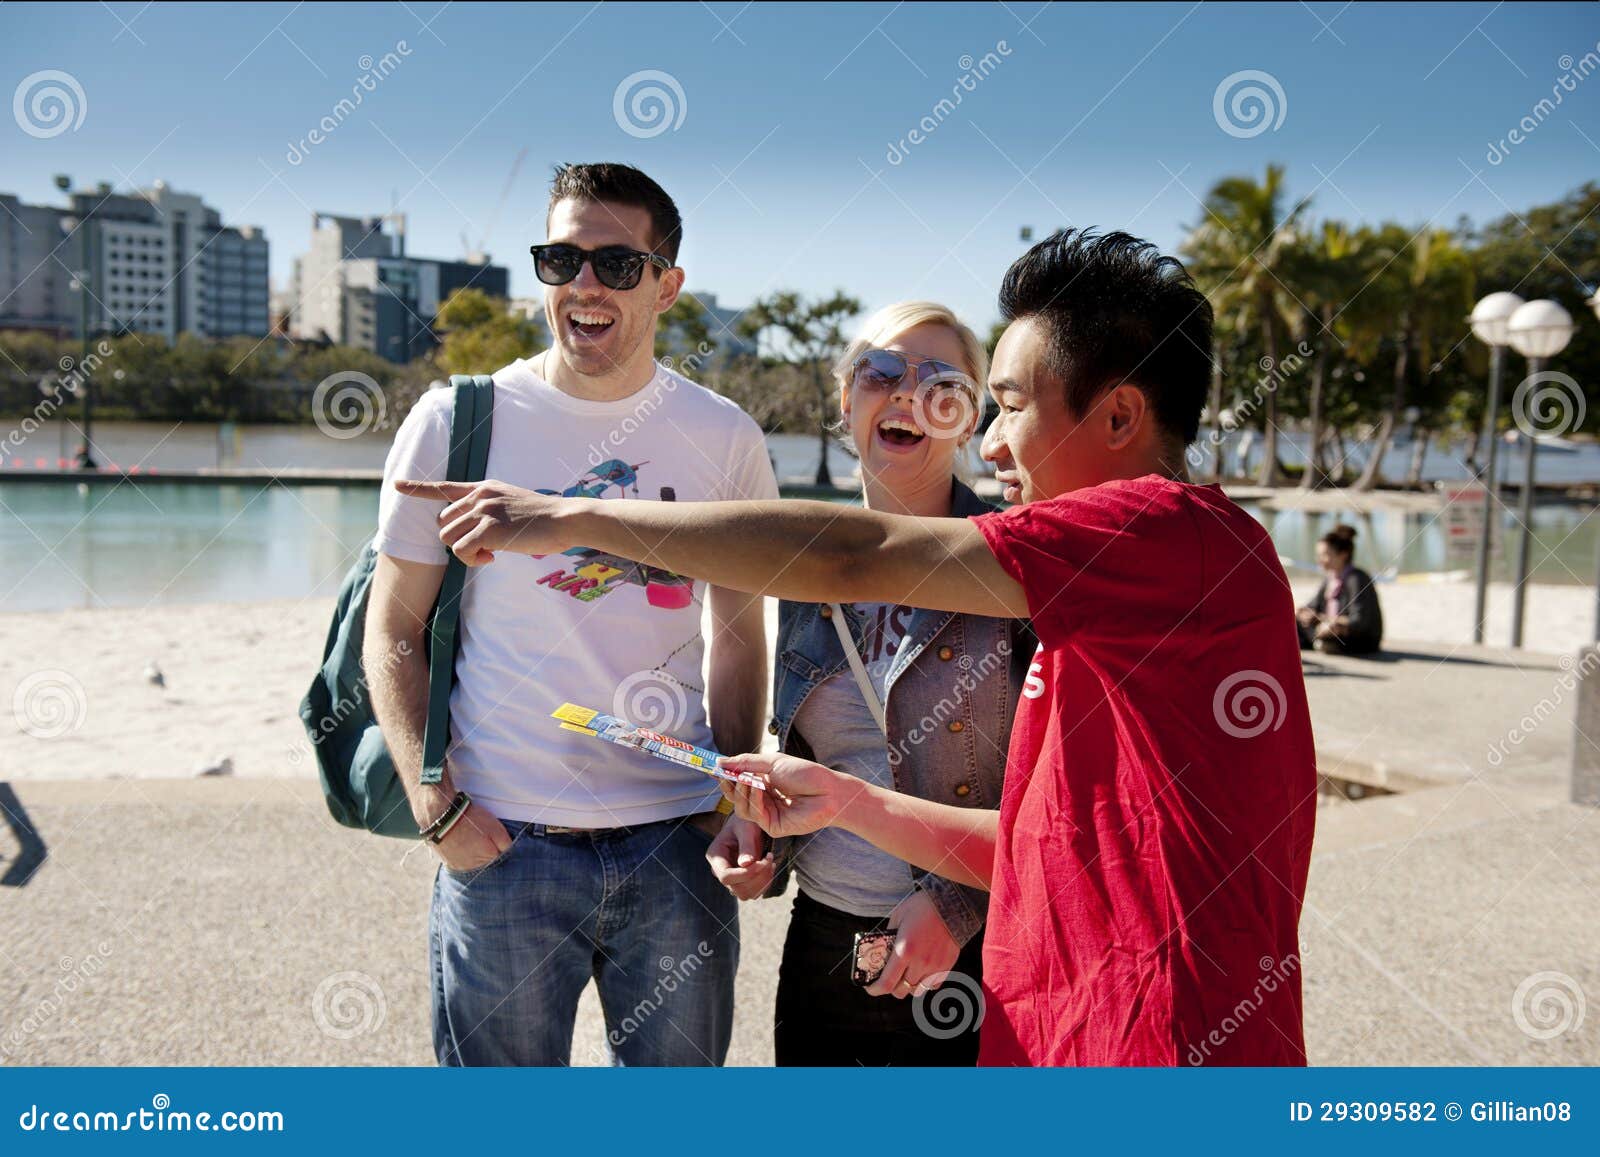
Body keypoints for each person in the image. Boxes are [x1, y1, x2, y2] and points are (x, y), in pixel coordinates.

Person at [397, 228, 1319, 1067]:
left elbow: (853, 553)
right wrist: (844, 801)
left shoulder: (1170, 536)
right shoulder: (1112, 590)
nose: (995, 445)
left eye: (1004, 407)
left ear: (1117, 418)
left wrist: (569, 516)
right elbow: (1032, 846)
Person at [367, 162, 776, 1066]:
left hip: (676, 842)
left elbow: (739, 638)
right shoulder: (454, 420)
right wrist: (433, 798)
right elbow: (391, 629)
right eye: (561, 260)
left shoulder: (725, 437)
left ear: (667, 285)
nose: (585, 283)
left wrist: (728, 799)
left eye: (617, 265)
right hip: (501, 840)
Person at [706, 301, 1033, 1066]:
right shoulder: (807, 560)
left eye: (940, 382)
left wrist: (957, 906)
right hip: (824, 941)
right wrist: (754, 828)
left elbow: (1054, 791)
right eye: (880, 371)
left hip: (977, 950)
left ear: (969, 417)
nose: (906, 393)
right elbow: (817, 753)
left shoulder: (1014, 564)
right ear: (846, 397)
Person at [1297, 523, 1383, 654]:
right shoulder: (1330, 578)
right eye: (1318, 555)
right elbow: (1313, 606)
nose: (1320, 560)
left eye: (1325, 555)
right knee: (1291, 623)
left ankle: (1318, 642)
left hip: (1357, 638)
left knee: (1327, 632)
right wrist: (1303, 612)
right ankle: (1314, 642)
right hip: (1327, 627)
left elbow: (1359, 621)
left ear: (1343, 554)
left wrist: (1334, 623)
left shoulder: (1357, 578)